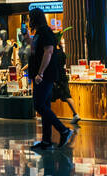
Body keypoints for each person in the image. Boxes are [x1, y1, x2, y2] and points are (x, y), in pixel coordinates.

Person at [29, 8, 74, 149]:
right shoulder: (39, 33)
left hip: (44, 76)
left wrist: (40, 73)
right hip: (40, 76)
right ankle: (46, 140)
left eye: (30, 17)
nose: (28, 20)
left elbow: (48, 52)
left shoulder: (46, 32)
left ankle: (64, 130)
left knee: (39, 105)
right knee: (45, 106)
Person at [51, 32, 79, 124]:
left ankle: (48, 116)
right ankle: (75, 114)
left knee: (47, 97)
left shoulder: (52, 53)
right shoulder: (61, 52)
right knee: (67, 96)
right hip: (63, 76)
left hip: (56, 77)